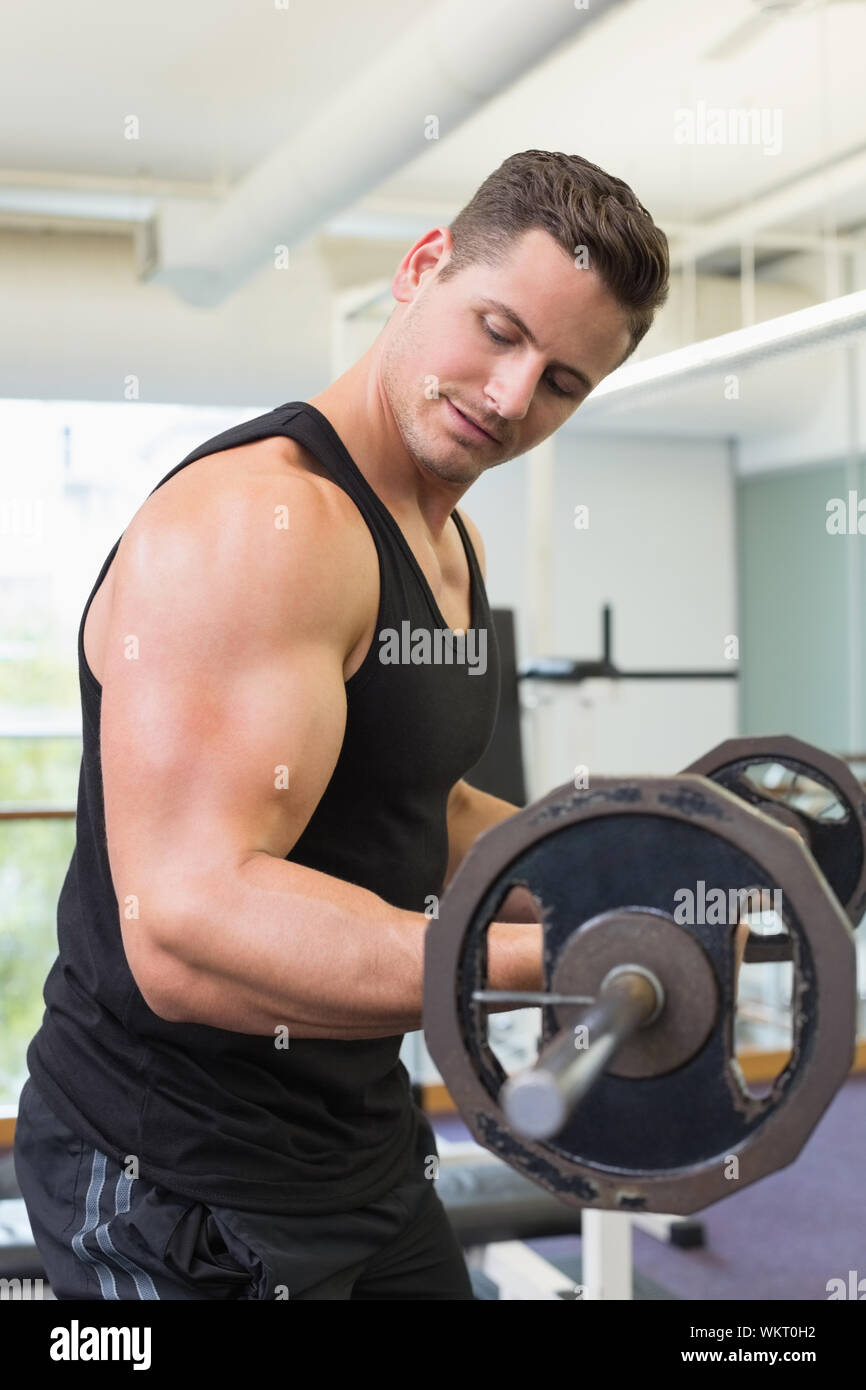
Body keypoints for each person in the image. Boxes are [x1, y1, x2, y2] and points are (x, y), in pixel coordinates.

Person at [14, 149, 670, 1300]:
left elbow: (421, 797)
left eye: (562, 381)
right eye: (498, 330)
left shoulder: (441, 536)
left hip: (355, 1136)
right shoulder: (260, 526)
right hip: (173, 1176)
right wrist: (571, 960)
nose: (513, 398)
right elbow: (188, 918)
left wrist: (622, 868)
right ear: (421, 267)